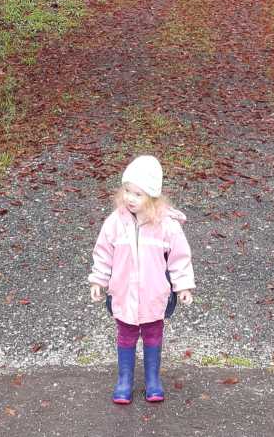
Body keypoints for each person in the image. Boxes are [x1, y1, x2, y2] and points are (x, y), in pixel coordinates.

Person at [88, 155, 195, 405]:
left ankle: (152, 380)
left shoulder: (166, 225)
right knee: (125, 335)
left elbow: (179, 257)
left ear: (152, 197)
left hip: (154, 295)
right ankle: (124, 380)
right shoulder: (115, 222)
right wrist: (98, 280)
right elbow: (103, 253)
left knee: (153, 334)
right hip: (123, 293)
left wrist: (183, 286)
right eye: (127, 191)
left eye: (138, 194)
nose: (130, 198)